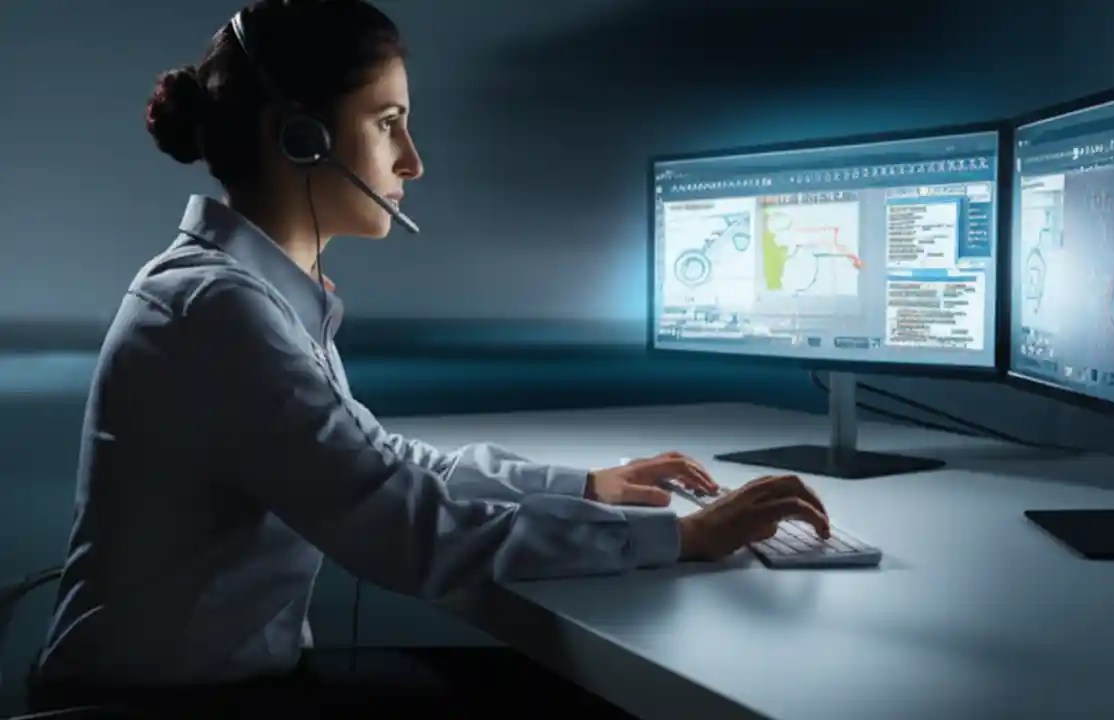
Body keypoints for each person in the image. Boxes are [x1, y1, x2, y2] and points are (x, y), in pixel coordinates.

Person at [25, 0, 831, 716]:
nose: (412, 160)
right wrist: (681, 540)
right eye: (387, 123)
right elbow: (409, 529)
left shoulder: (246, 293)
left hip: (212, 685)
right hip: (162, 706)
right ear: (301, 138)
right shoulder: (220, 311)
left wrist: (585, 487)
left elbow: (382, 461)